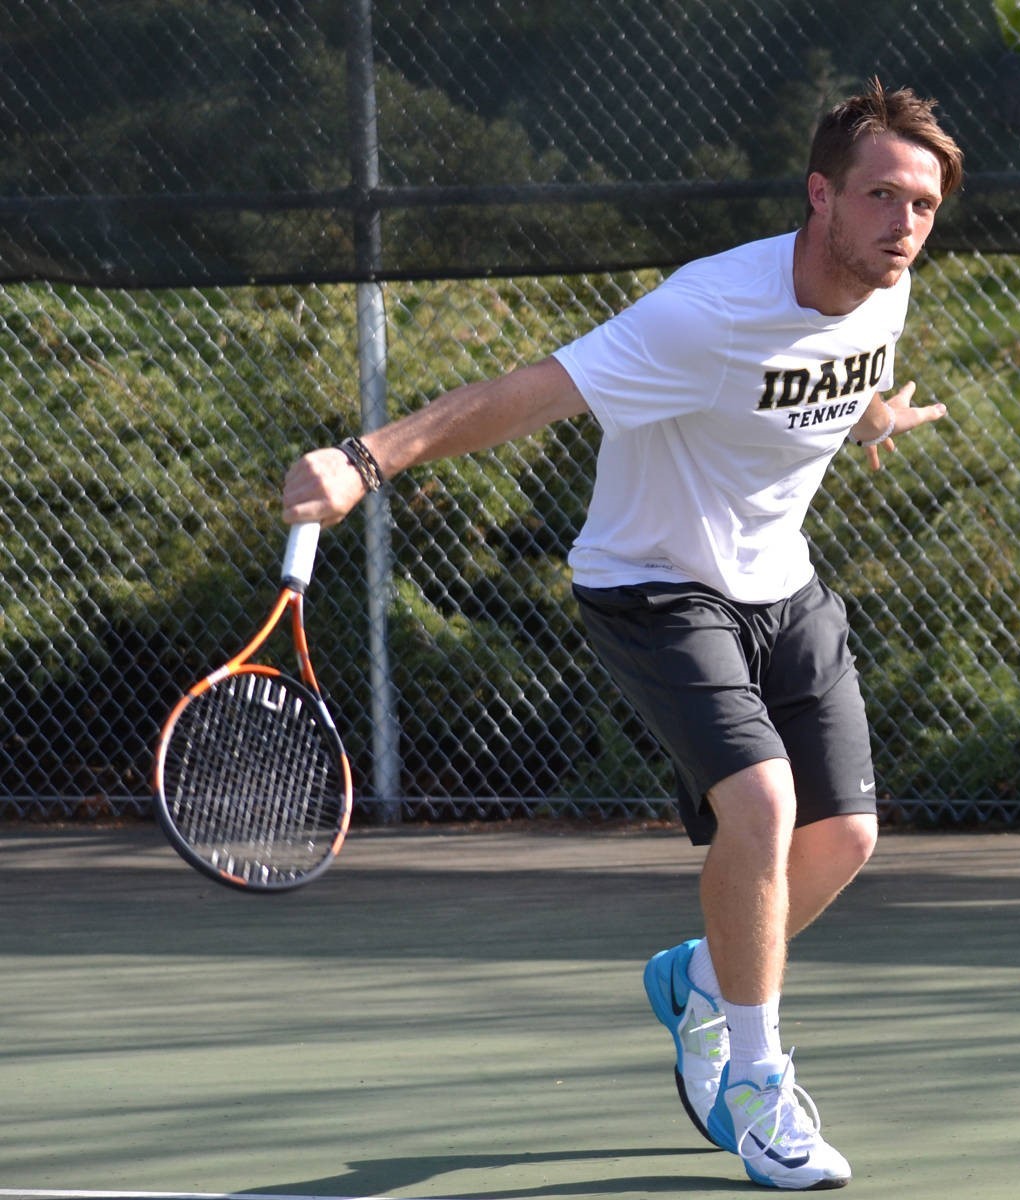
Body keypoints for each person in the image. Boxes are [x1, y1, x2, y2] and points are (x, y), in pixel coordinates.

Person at [281, 79, 963, 1191]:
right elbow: (533, 390)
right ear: (819, 195)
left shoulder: (880, 292)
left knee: (842, 842)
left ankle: (706, 977)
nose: (904, 223)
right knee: (764, 805)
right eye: (882, 196)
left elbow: (842, 372)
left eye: (924, 205)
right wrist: (366, 461)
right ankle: (752, 1080)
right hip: (653, 589)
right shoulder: (707, 310)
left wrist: (876, 413)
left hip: (781, 586)